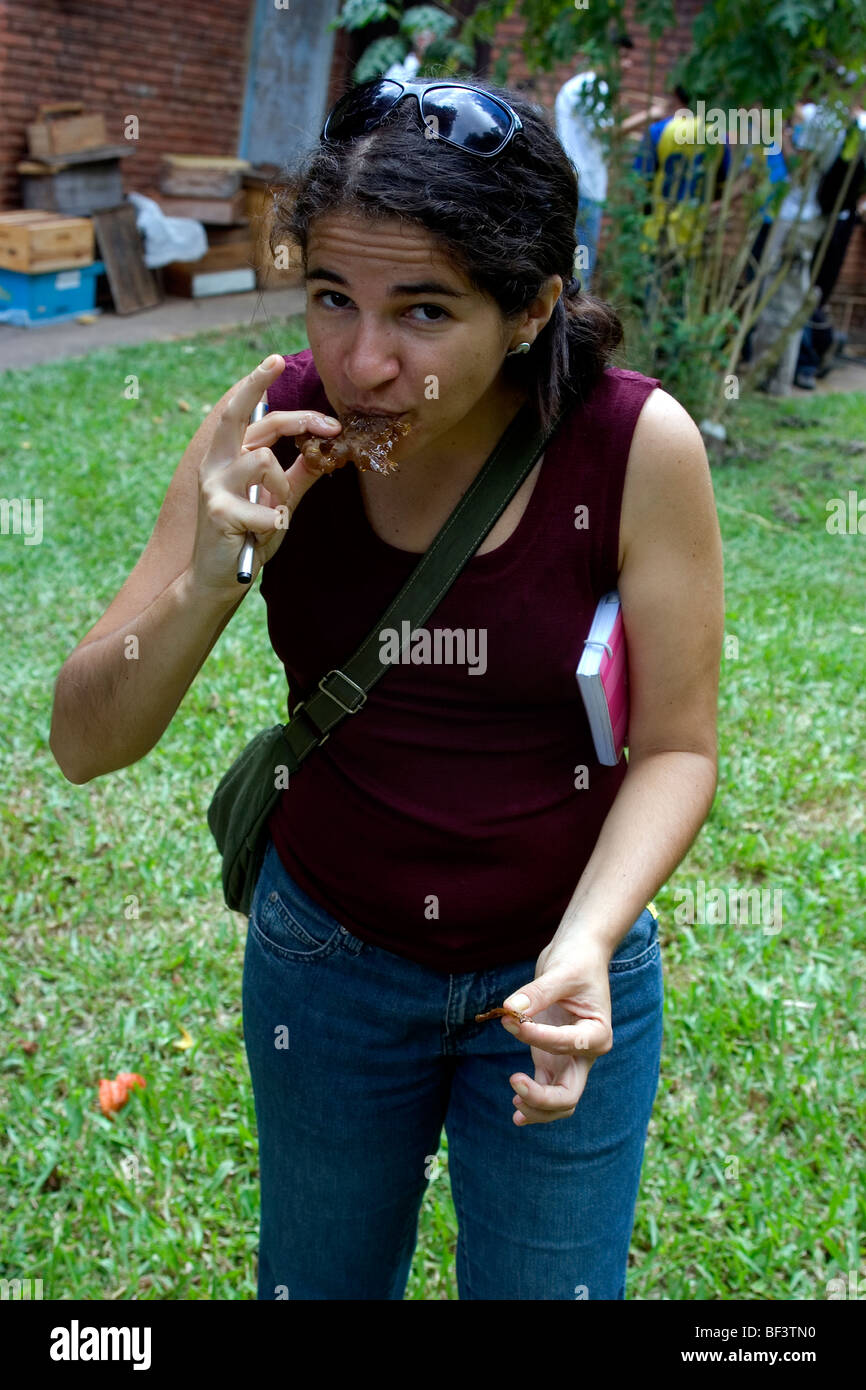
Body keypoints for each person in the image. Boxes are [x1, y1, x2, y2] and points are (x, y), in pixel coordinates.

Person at [50, 77, 724, 1301]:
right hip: (328, 962)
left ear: (529, 308)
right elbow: (83, 740)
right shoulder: (264, 427)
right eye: (330, 298)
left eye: (424, 310)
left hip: (558, 969)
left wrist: (582, 943)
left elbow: (675, 744)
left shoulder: (634, 448)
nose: (362, 363)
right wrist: (211, 573)